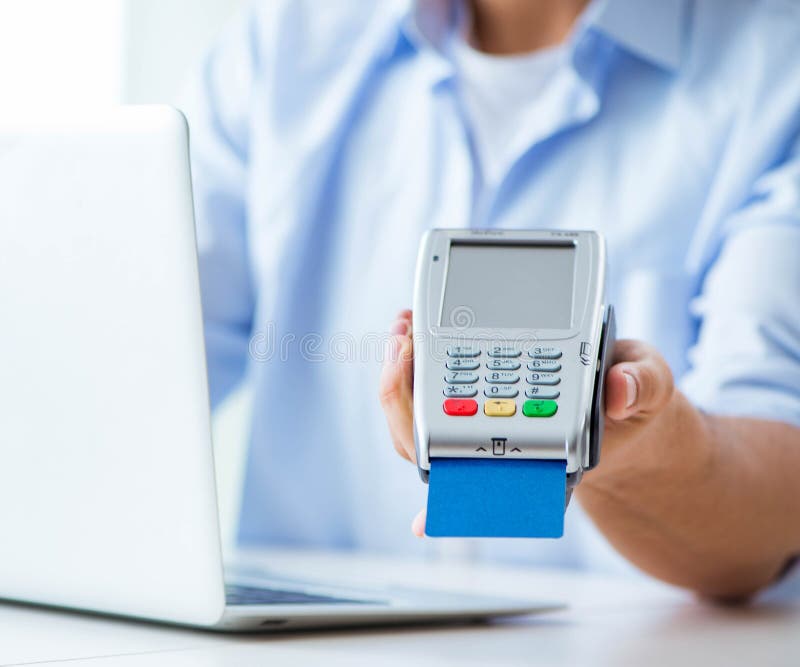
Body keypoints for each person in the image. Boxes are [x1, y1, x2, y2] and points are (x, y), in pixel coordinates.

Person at [183, 0, 800, 600]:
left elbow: (778, 498)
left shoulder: (778, 66)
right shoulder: (283, 41)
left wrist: (630, 447)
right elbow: (146, 363)